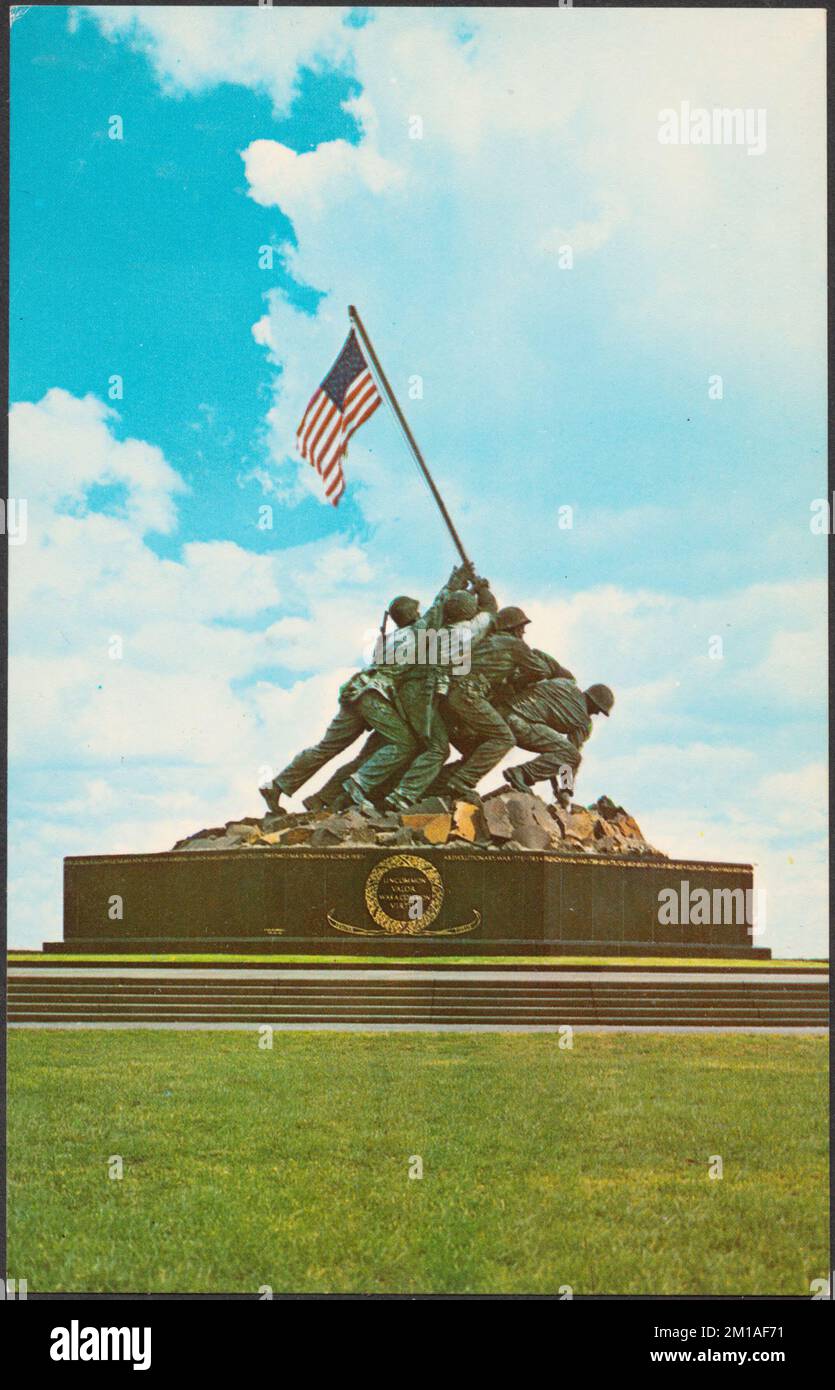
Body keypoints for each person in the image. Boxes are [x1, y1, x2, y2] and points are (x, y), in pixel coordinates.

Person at [258, 565, 469, 813]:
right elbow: (437, 610)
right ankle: (358, 785)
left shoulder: (390, 639)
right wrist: (453, 584)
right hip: (374, 697)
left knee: (327, 747)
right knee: (405, 744)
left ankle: (278, 785)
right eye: (418, 611)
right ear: (412, 614)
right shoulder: (415, 632)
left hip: (357, 690)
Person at [432, 605, 551, 800]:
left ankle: (437, 785)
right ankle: (462, 781)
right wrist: (517, 678)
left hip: (451, 695)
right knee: (505, 739)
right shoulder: (515, 646)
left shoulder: (485, 642)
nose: (523, 632)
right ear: (513, 628)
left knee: (477, 749)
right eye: (521, 628)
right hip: (468, 694)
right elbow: (541, 671)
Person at [499, 678, 615, 804]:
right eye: (599, 709)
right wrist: (566, 790)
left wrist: (553, 779)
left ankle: (524, 774)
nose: (597, 713)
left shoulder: (564, 683)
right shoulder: (583, 721)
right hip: (520, 724)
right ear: (593, 702)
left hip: (503, 711)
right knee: (572, 756)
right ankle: (520, 773)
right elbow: (569, 758)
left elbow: (555, 756)